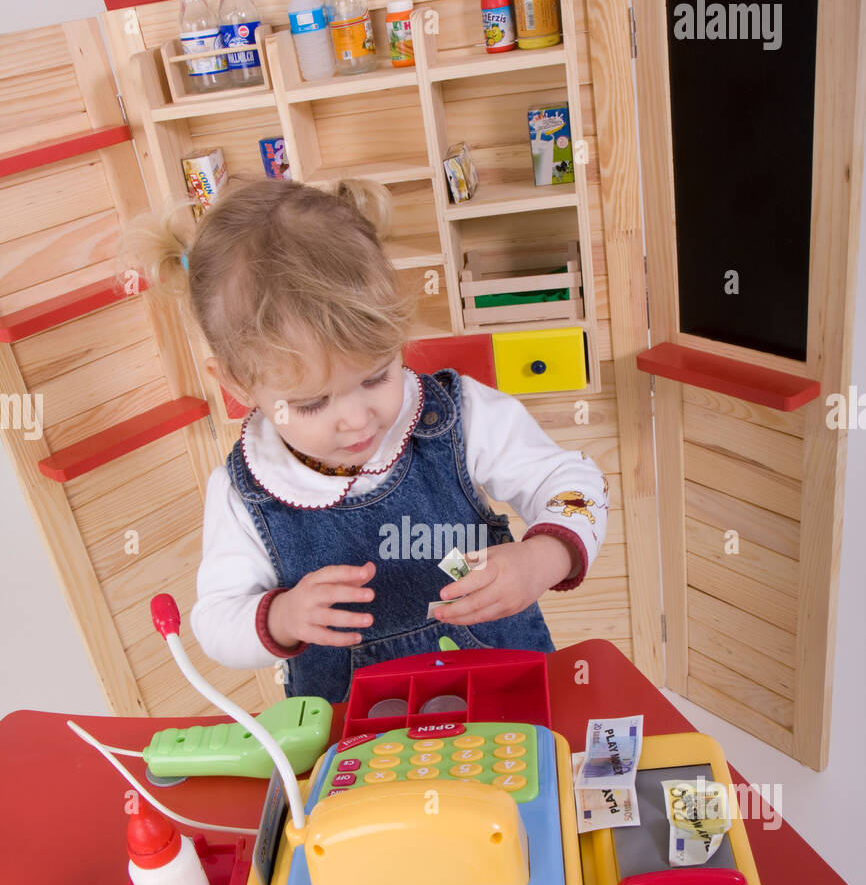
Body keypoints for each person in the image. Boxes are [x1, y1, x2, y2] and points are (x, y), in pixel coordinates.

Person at [123, 176, 608, 703]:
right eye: (313, 403)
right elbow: (216, 620)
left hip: (503, 700)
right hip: (357, 741)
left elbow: (572, 483)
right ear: (238, 384)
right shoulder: (245, 492)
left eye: (377, 376)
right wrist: (280, 617)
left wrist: (544, 557)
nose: (357, 420)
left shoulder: (454, 417)